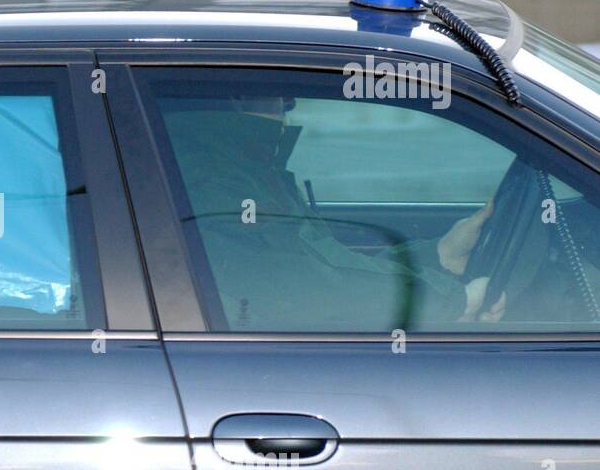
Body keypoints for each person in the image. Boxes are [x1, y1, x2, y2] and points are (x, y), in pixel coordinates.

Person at [164, 95, 506, 331]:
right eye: (283, 98)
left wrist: (438, 257)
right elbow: (305, 286)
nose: (289, 109)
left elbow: (324, 262)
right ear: (239, 98)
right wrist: (451, 299)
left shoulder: (240, 172)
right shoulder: (214, 184)